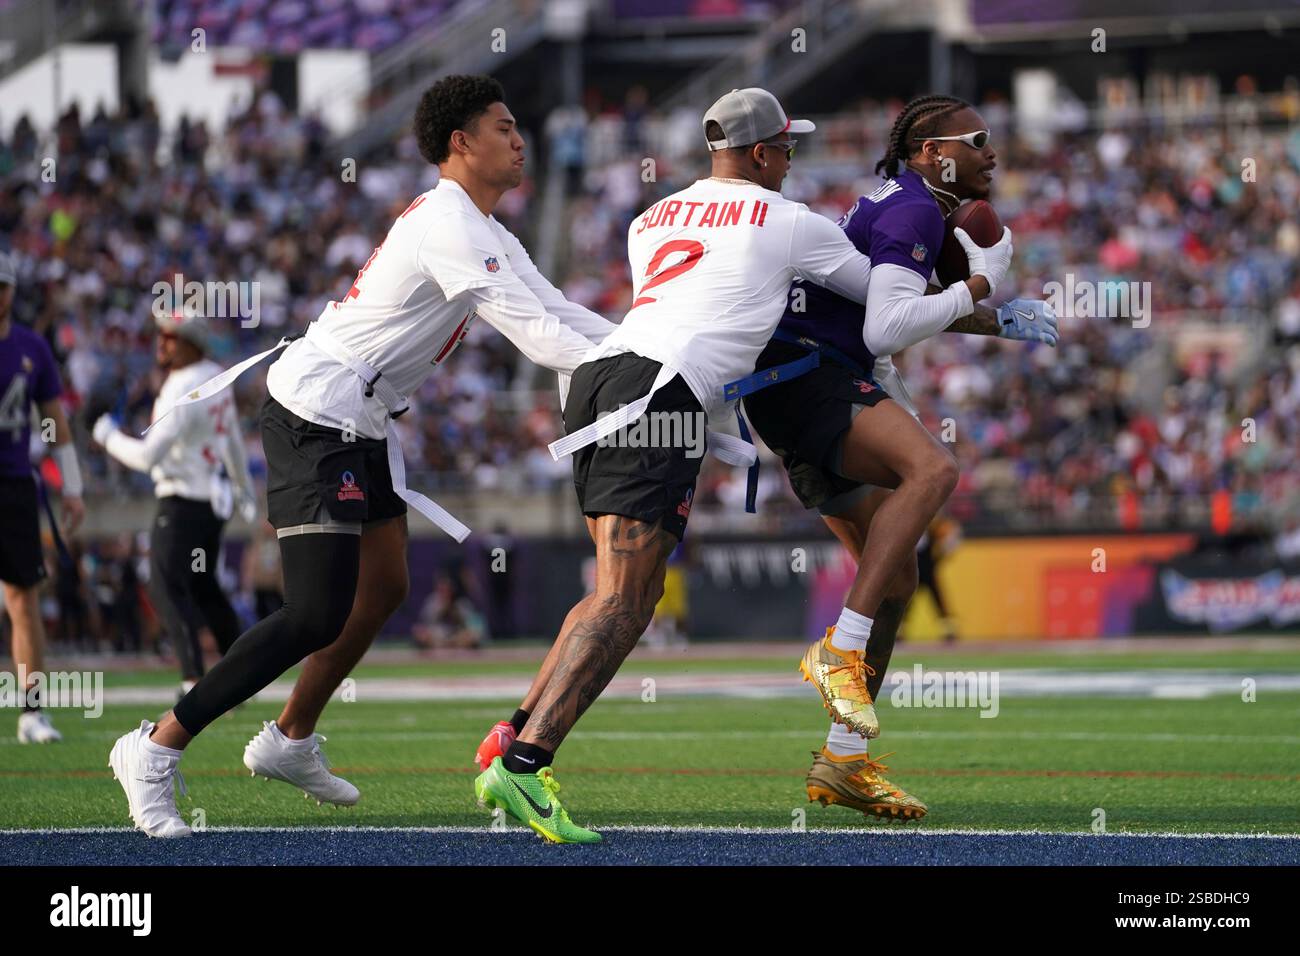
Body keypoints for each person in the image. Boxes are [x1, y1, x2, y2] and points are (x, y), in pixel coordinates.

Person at [107, 74, 615, 838]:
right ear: (460, 143)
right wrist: (643, 377)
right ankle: (154, 748)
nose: (520, 140)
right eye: (504, 127)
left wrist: (649, 352)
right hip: (318, 411)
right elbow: (535, 335)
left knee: (382, 588)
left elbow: (559, 309)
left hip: (364, 418)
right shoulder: (452, 223)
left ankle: (290, 738)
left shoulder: (484, 225)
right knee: (314, 611)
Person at [473, 87, 880, 843]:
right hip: (658, 393)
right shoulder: (786, 218)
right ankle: (526, 765)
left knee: (619, 590)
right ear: (760, 153)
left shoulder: (649, 217)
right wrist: (974, 283)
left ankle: (514, 731)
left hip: (603, 377)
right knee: (625, 602)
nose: (792, 161)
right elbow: (881, 299)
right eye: (786, 148)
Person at [743, 94, 1056, 819]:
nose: (992, 153)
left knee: (899, 579)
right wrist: (982, 283)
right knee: (934, 469)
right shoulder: (916, 210)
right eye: (977, 140)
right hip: (810, 377)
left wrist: (997, 318)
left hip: (795, 382)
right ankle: (839, 653)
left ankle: (843, 760)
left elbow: (889, 313)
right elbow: (887, 327)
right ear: (931, 151)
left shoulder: (909, 204)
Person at [93, 309, 255, 698]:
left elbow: (149, 457)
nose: (161, 343)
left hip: (183, 501)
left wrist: (106, 435)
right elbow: (231, 438)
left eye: (171, 337)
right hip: (210, 503)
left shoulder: (184, 385)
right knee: (203, 588)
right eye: (161, 335)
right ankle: (241, 676)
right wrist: (243, 488)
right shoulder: (216, 377)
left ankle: (193, 680)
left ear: (192, 344)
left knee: (166, 587)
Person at [0, 251, 85, 743]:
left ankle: (31, 710)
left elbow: (55, 423)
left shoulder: (31, 348)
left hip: (12, 485)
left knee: (22, 596)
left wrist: (71, 486)